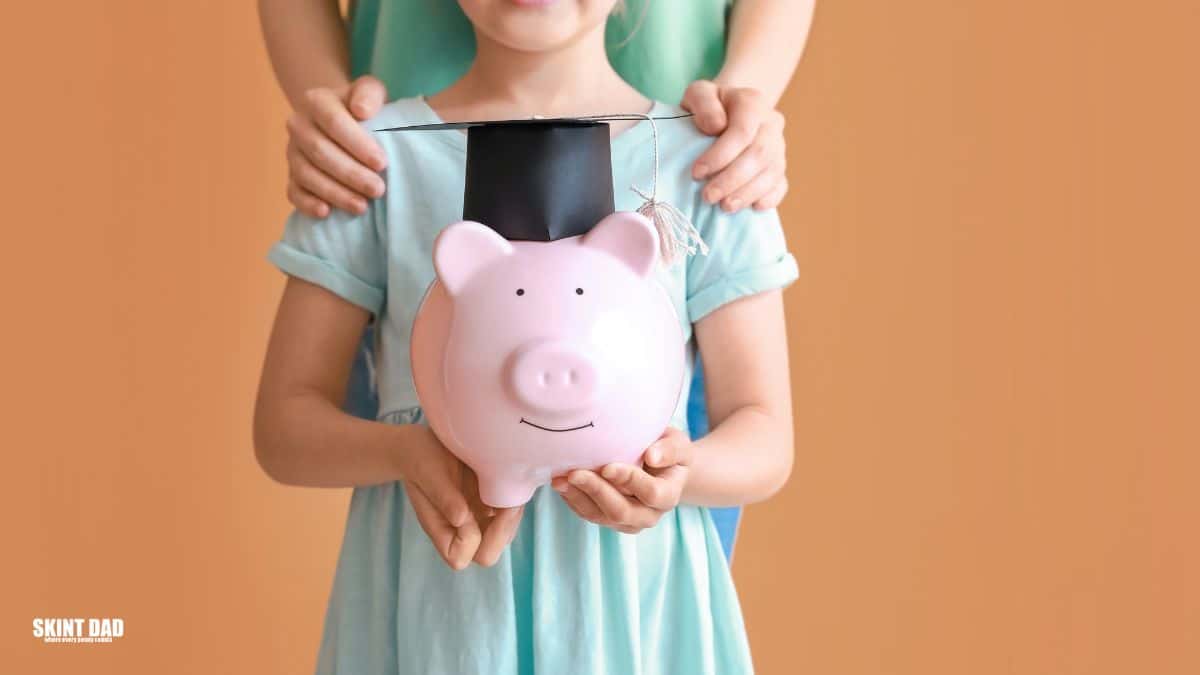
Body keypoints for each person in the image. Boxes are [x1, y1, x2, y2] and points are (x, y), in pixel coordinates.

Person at [255, 2, 799, 672]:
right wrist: (402, 450)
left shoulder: (709, 165)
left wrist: (678, 475)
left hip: (636, 620)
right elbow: (284, 428)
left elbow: (764, 433)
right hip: (438, 620)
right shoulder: (369, 162)